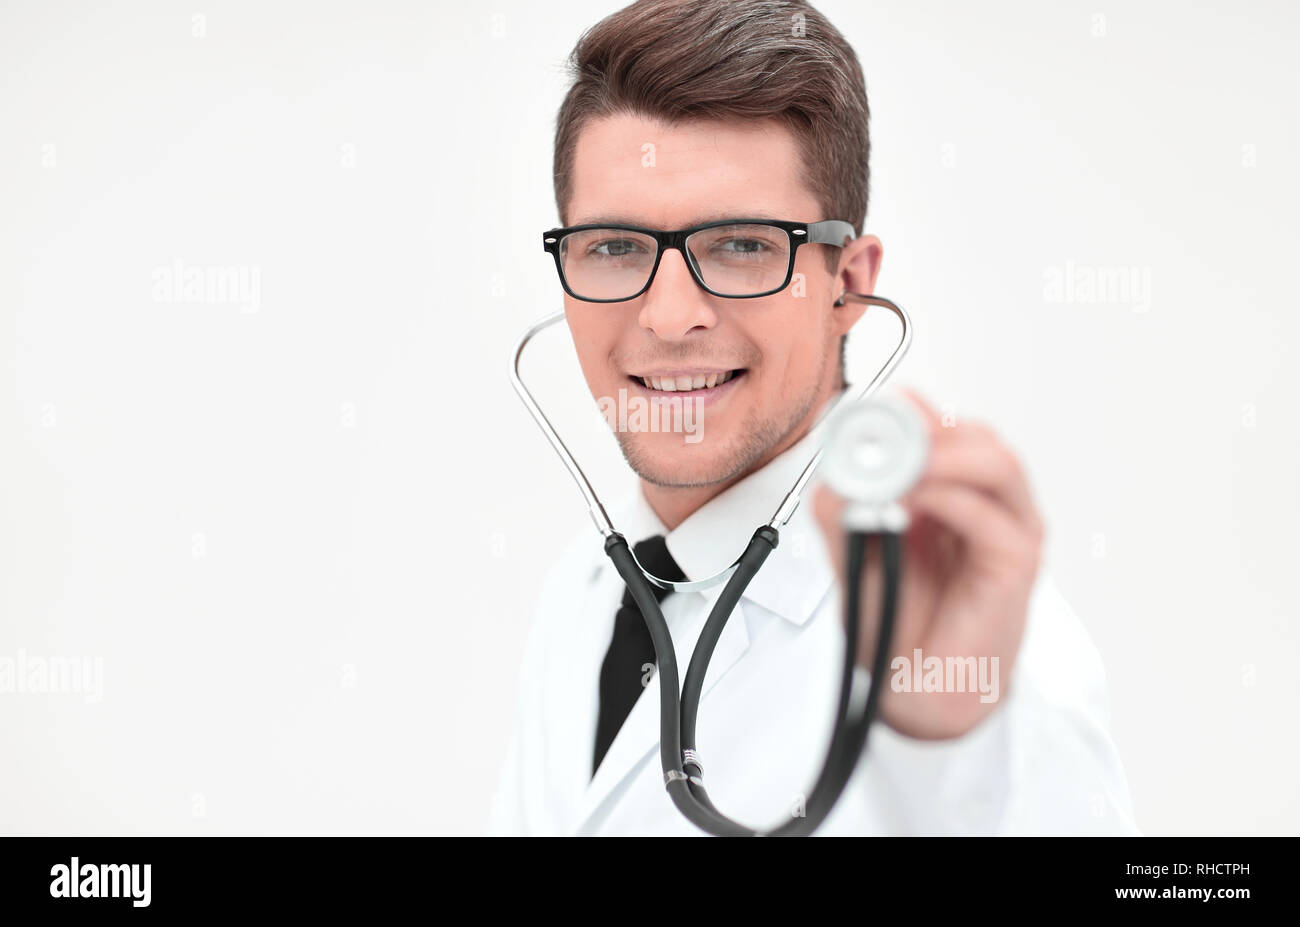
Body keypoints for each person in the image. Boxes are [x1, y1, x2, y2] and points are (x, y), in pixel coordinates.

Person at [488, 0, 1138, 836]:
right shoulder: (583, 592)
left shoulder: (975, 645)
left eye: (744, 244)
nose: (668, 315)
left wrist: (939, 742)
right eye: (615, 246)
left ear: (849, 284)